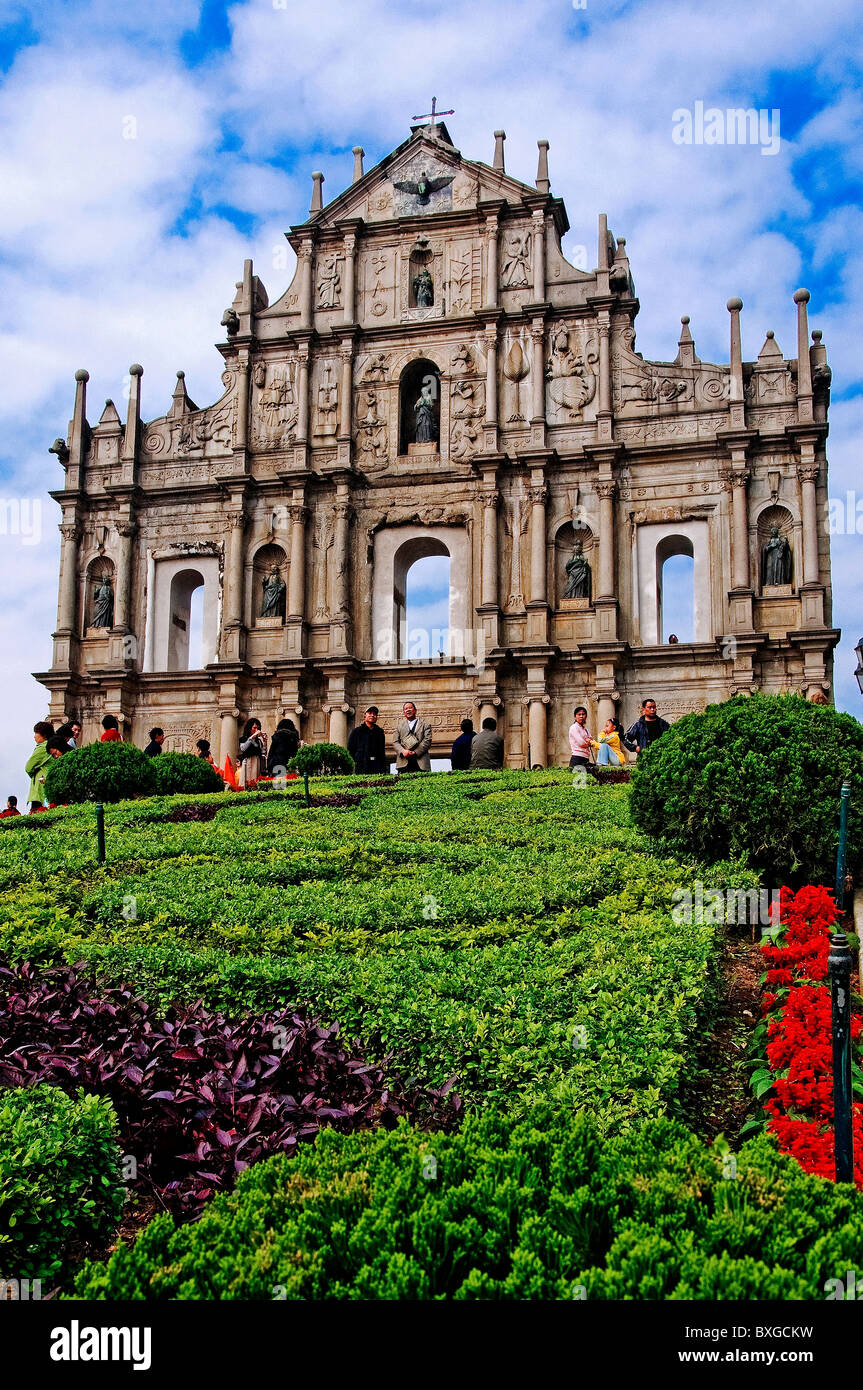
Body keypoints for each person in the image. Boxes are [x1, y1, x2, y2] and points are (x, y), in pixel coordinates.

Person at [393, 701, 432, 773]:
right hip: (403, 764)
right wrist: (403, 751)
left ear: (415, 710)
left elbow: (427, 741)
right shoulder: (399, 726)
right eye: (406, 709)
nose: (408, 710)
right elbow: (395, 742)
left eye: (410, 708)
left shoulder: (425, 725)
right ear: (404, 712)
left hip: (421, 763)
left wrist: (415, 752)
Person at [347, 707, 387, 775]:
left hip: (377, 767)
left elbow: (382, 751)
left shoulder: (379, 732)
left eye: (374, 714)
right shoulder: (357, 731)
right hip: (361, 767)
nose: (372, 715)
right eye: (370, 713)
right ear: (365, 715)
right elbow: (351, 749)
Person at [25, 721, 54, 813]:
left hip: (40, 788)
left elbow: (28, 767)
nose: (34, 736)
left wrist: (33, 773)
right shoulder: (52, 745)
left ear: (44, 735)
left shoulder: (42, 747)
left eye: (36, 733)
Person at [238, 717, 267, 788]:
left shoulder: (258, 741)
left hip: (257, 762)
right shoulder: (244, 738)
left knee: (255, 783)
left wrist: (265, 742)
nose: (256, 730)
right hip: (248, 761)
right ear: (249, 727)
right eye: (254, 728)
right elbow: (243, 748)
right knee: (246, 782)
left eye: (258, 728)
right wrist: (252, 737)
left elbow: (263, 752)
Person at [568, 706, 593, 771]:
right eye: (579, 714)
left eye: (583, 714)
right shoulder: (573, 727)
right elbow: (581, 743)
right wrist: (588, 742)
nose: (581, 716)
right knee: (576, 780)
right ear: (575, 717)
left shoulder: (585, 729)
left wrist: (589, 742)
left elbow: (592, 741)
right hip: (577, 758)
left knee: (585, 780)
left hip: (586, 758)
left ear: (586, 716)